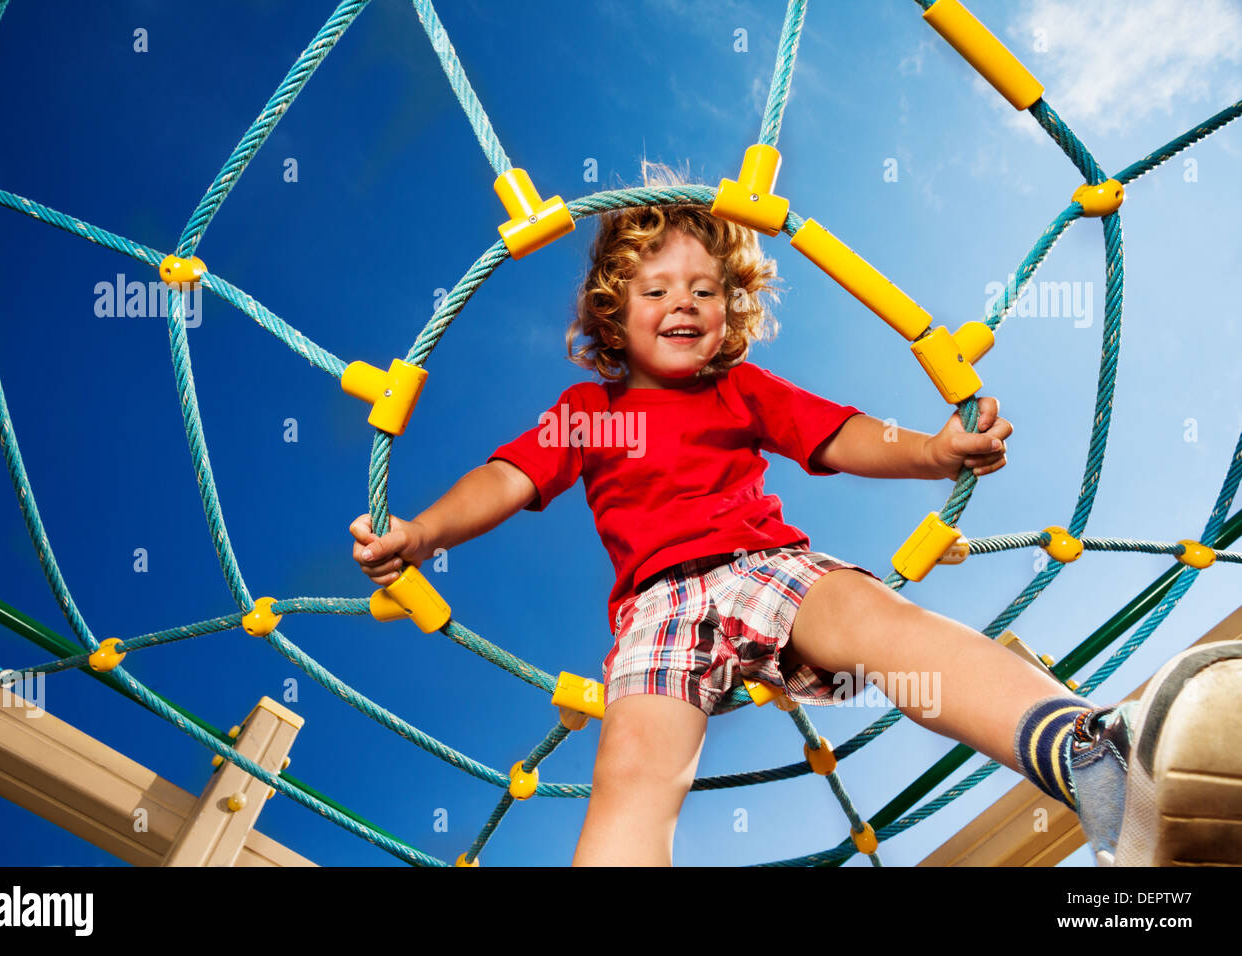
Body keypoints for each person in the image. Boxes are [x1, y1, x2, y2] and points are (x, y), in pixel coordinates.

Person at [350, 163, 1242, 867]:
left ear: (730, 310)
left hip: (760, 564)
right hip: (656, 607)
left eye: (704, 289)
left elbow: (839, 435)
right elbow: (507, 478)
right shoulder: (590, 408)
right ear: (612, 316)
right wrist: (422, 533)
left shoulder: (739, 389)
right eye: (656, 290)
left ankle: (1094, 758)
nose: (684, 304)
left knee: (880, 623)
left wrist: (930, 451)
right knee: (632, 768)